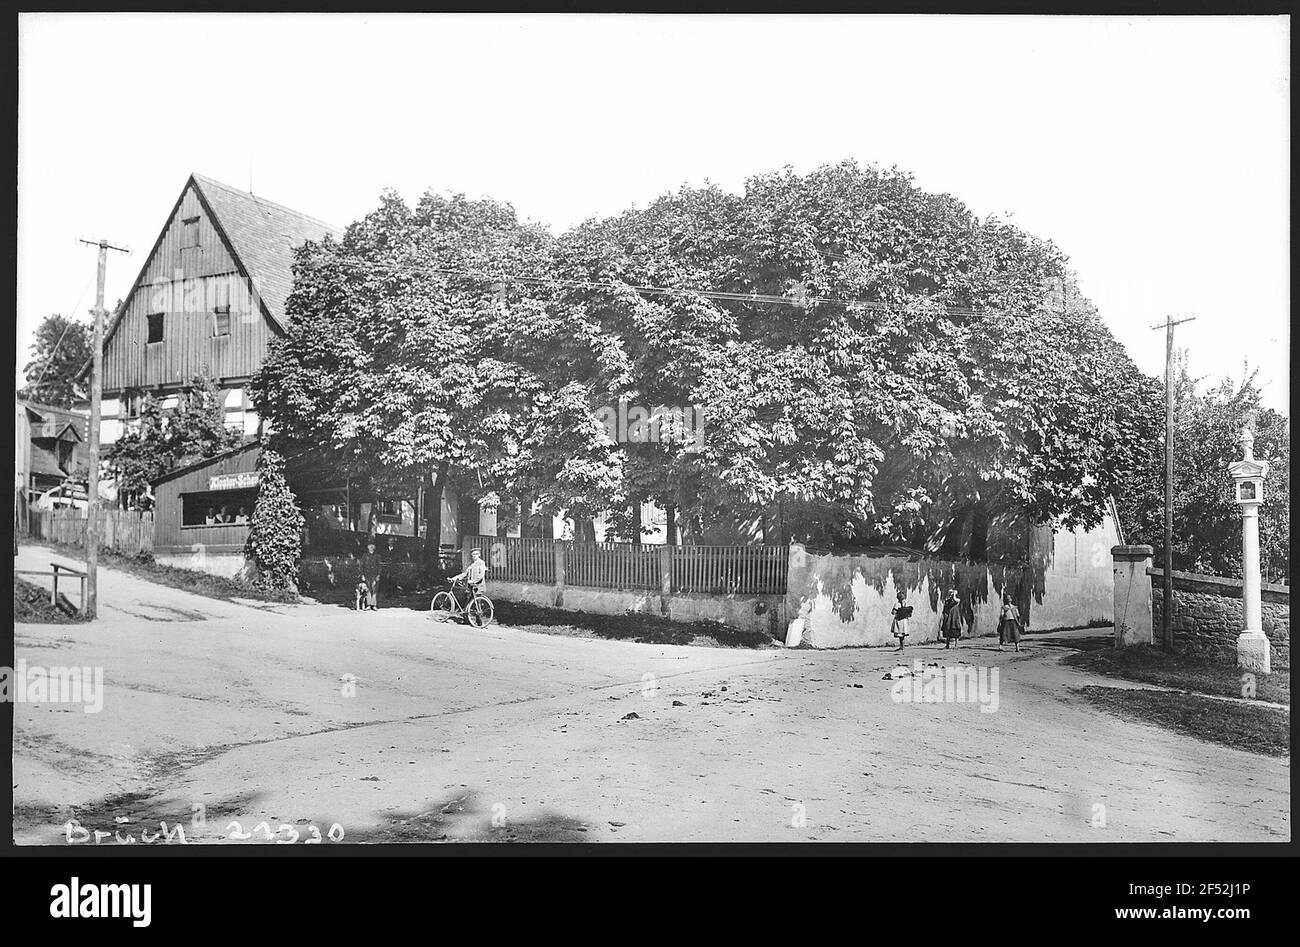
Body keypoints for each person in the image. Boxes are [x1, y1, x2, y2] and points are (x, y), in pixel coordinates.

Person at [357, 540, 382, 611]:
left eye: (372, 545)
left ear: (375, 547)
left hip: (375, 575)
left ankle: (373, 605)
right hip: (367, 575)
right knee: (368, 590)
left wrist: (378, 575)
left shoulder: (377, 556)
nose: (371, 547)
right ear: (367, 547)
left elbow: (380, 566)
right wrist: (362, 575)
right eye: (370, 545)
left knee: (374, 590)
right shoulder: (365, 556)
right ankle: (368, 605)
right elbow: (361, 566)